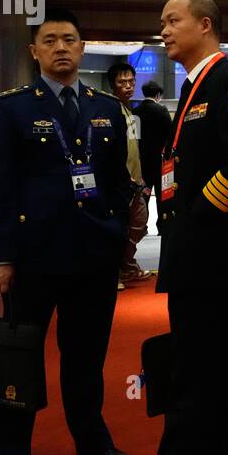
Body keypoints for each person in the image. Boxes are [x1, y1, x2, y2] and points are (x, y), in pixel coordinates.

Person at [98, 0, 228, 455]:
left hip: (209, 257)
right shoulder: (196, 87)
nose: (163, 29)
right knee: (213, 375)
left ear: (205, 24)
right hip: (197, 255)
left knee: (191, 382)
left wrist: (194, 220)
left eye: (172, 20)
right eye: (161, 21)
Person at [0, 9, 133, 455]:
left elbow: (115, 178)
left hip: (93, 258)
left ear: (83, 48)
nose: (61, 48)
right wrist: (1, 257)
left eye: (70, 39)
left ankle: (91, 440)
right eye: (50, 41)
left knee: (86, 359)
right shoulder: (11, 109)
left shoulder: (106, 108)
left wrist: (116, 232)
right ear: (35, 52)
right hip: (32, 260)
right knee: (19, 362)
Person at [106, 61, 153, 287]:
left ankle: (126, 264)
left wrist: (141, 178)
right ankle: (115, 271)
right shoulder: (109, 109)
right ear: (113, 85)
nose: (128, 85)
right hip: (120, 183)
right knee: (120, 227)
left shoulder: (130, 111)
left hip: (136, 181)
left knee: (140, 223)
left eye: (131, 81)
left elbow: (135, 149)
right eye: (122, 82)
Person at [134, 80, 172, 206]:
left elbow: (131, 139)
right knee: (164, 198)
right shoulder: (162, 111)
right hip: (161, 163)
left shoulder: (135, 111)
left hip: (142, 163)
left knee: (142, 198)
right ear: (158, 95)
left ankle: (141, 225)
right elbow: (171, 136)